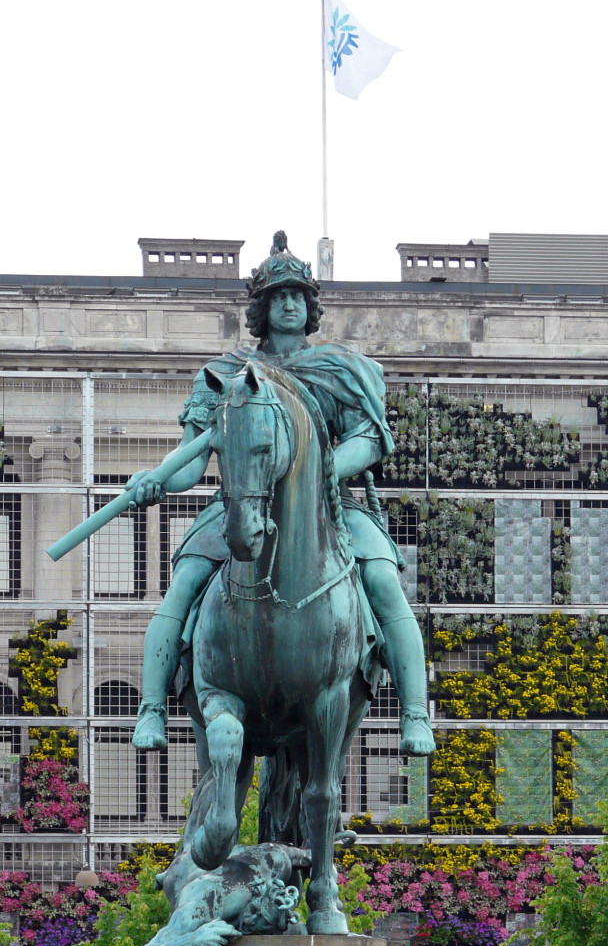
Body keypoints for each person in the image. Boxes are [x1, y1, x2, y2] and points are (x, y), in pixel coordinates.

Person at [126, 231, 434, 760]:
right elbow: (192, 462)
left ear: (310, 306)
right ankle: (152, 705)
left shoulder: (340, 370)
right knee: (186, 581)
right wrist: (153, 480)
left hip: (329, 510)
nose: (289, 304)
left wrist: (318, 474)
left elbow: (367, 439)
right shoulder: (223, 377)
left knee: (383, 579)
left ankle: (415, 713)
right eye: (277, 296)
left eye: (297, 296)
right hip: (240, 505)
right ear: (261, 308)